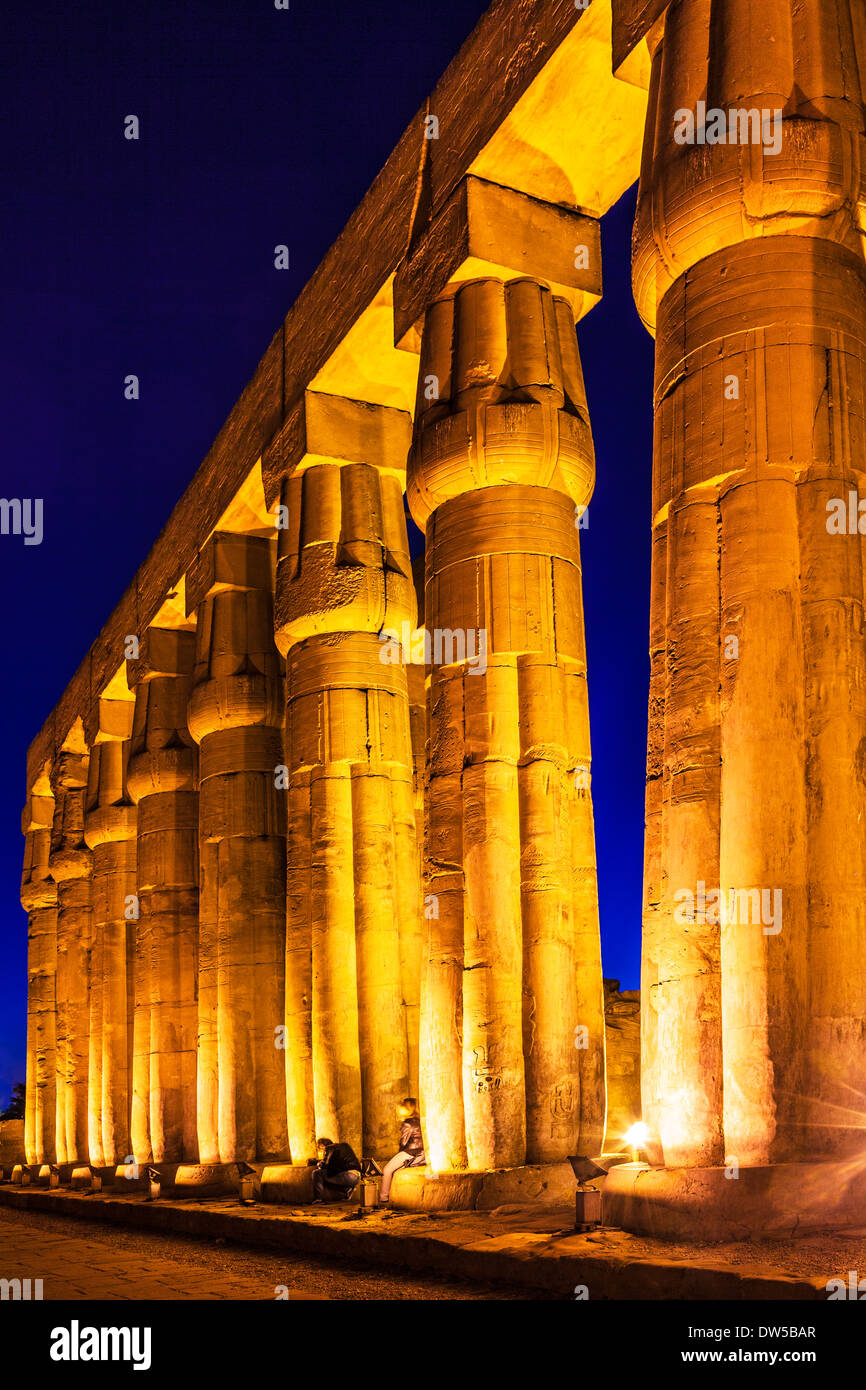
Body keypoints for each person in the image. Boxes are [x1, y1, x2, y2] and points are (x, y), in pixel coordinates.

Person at [377, 1098, 426, 1207]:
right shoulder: (419, 1120)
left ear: (406, 1109)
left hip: (411, 1151)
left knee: (387, 1169)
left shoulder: (407, 1123)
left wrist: (398, 1154)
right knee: (397, 1170)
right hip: (422, 1153)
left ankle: (383, 1198)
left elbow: (404, 1142)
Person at [312, 1136, 361, 1203]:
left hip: (347, 1176)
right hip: (357, 1177)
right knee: (333, 1176)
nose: (321, 1152)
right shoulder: (344, 1145)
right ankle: (347, 1189)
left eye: (320, 1149)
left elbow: (325, 1165)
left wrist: (319, 1164)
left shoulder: (329, 1148)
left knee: (317, 1173)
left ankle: (318, 1199)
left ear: (322, 1145)